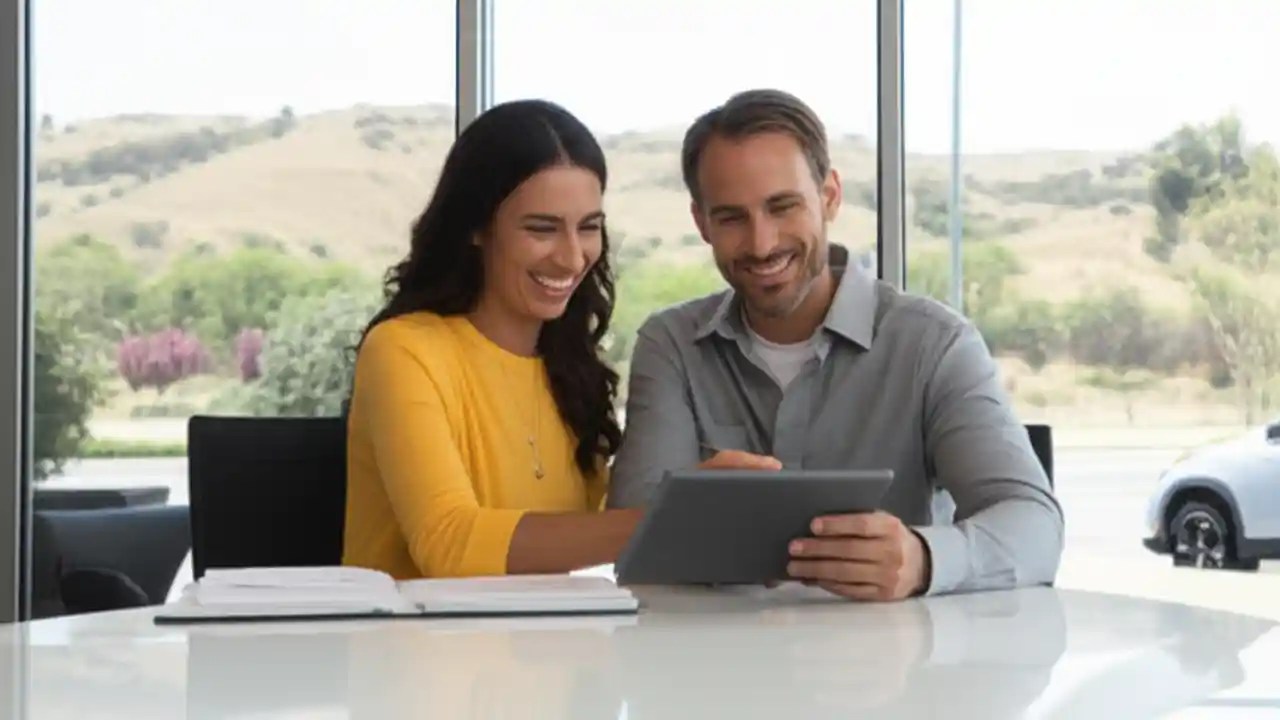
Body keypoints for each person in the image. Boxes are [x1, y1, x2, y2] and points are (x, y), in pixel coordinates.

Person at [607, 89, 1064, 600]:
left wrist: (923, 559)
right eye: (732, 217)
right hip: (712, 647)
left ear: (829, 197)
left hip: (895, 649)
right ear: (701, 223)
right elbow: (629, 539)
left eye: (783, 207)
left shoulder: (934, 344)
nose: (761, 244)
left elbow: (1035, 527)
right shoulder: (671, 346)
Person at [342, 99, 646, 579]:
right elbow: (450, 545)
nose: (572, 258)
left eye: (589, 227)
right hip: (409, 630)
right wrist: (663, 522)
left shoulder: (571, 371)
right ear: (476, 228)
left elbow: (588, 532)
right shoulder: (402, 350)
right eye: (542, 229)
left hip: (545, 631)